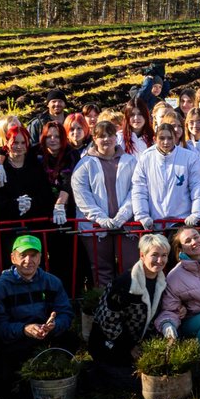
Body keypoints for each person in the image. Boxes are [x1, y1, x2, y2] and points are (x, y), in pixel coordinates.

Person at [86, 233, 171, 392]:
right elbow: (108, 322)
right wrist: (129, 347)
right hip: (110, 344)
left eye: (164, 255)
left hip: (139, 343)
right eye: (154, 255)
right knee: (135, 384)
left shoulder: (162, 282)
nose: (160, 260)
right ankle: (93, 374)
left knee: (159, 375)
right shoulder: (124, 283)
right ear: (142, 255)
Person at [0, 235, 76, 388]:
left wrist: (54, 325)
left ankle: (54, 374)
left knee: (70, 339)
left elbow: (66, 313)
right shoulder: (0, 287)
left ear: (40, 258)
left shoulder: (52, 282)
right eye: (23, 255)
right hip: (16, 339)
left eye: (33, 255)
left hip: (46, 335)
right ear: (13, 258)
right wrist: (24, 329)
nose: (28, 260)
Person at [72, 119, 137, 287]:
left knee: (130, 267)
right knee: (101, 270)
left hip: (126, 225)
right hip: (94, 227)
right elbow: (82, 196)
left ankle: (129, 300)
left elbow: (136, 190)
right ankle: (104, 301)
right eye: (101, 136)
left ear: (116, 137)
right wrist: (101, 219)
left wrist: (122, 216)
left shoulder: (130, 161)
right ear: (94, 138)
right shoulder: (85, 164)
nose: (106, 139)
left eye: (110, 135)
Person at [130, 120, 200, 232]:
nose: (166, 142)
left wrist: (197, 213)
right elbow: (139, 189)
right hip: (155, 223)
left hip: (182, 222)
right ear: (155, 139)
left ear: (175, 138)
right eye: (162, 138)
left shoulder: (190, 157)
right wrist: (142, 215)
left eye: (170, 138)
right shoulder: (146, 158)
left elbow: (198, 186)